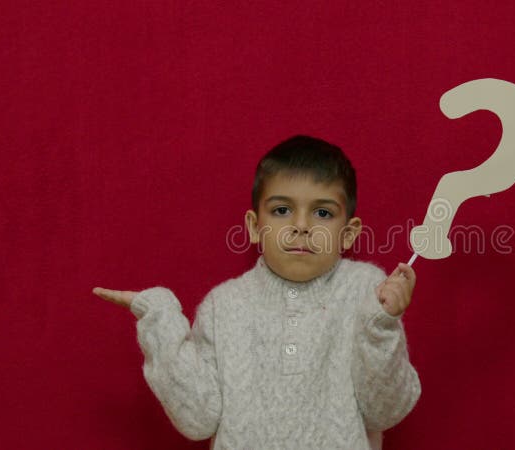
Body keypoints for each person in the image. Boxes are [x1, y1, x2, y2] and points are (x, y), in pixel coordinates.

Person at [93, 135, 421, 450]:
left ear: (348, 234)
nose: (302, 225)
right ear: (253, 226)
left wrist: (382, 326)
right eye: (282, 210)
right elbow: (197, 419)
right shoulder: (224, 306)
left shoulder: (367, 291)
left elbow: (386, 411)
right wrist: (159, 322)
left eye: (323, 213)